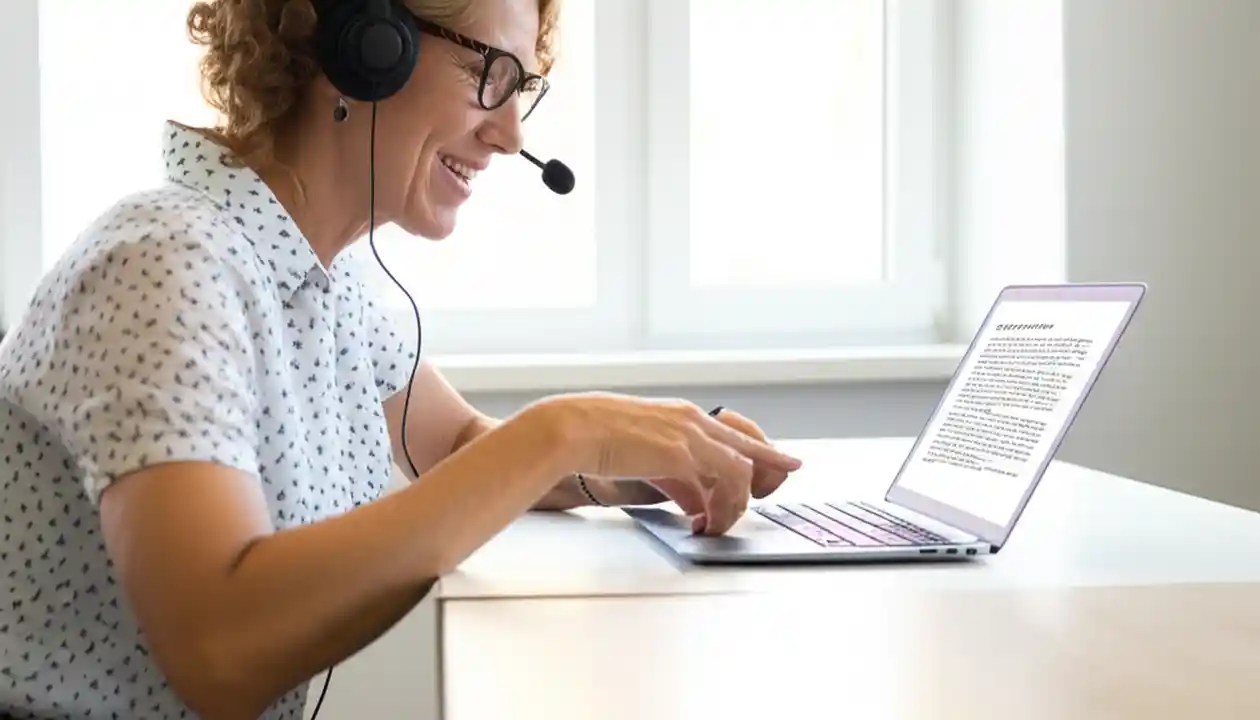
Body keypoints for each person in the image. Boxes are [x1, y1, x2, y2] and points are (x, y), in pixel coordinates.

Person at [0, 0, 804, 718]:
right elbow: (221, 651)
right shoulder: (166, 265)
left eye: (522, 87)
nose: (511, 134)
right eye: (489, 73)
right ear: (362, 41)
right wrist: (566, 430)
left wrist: (636, 466)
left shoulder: (322, 279)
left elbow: (454, 445)